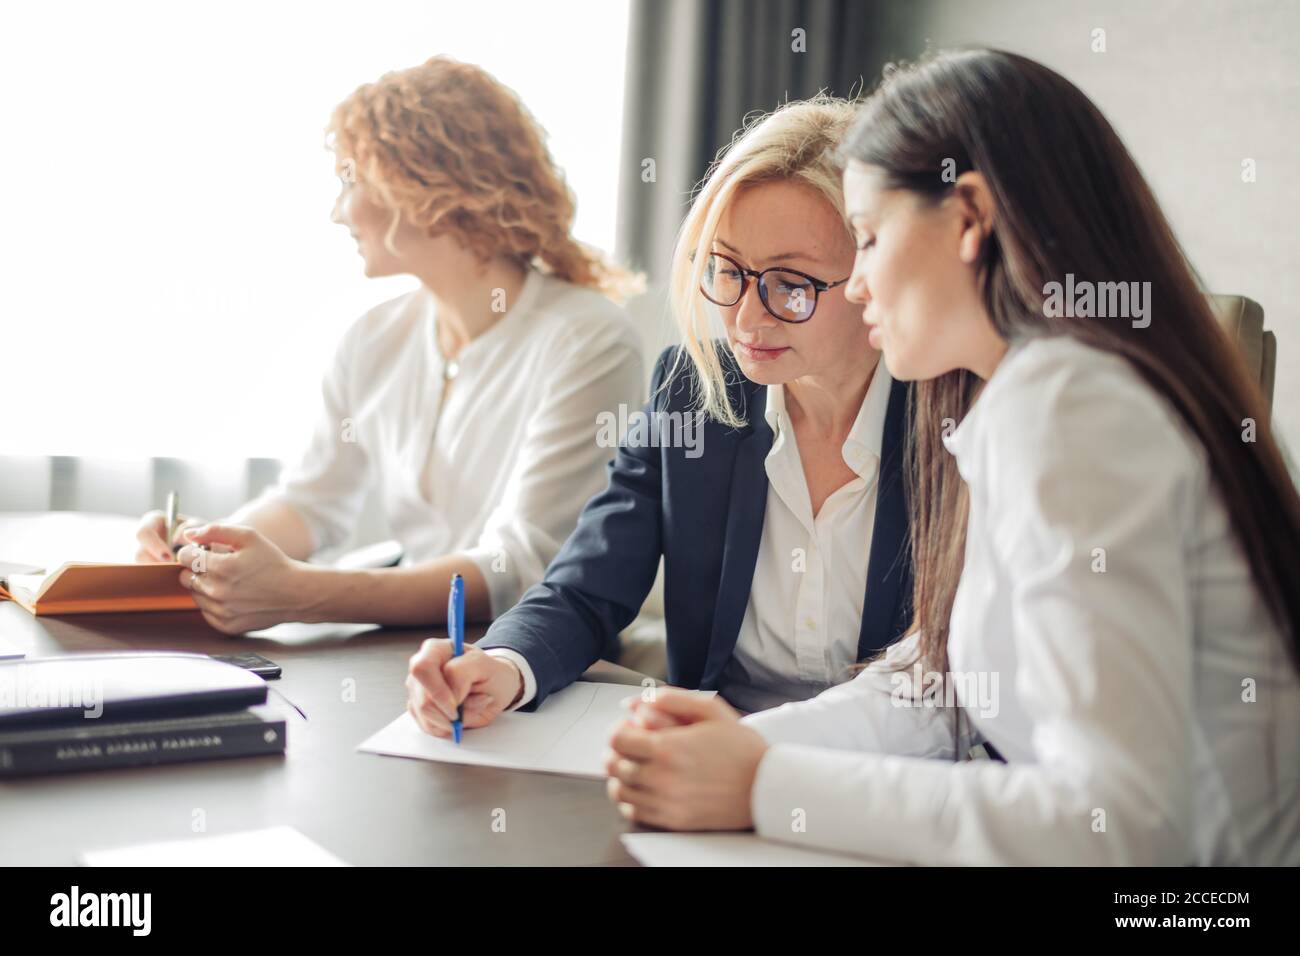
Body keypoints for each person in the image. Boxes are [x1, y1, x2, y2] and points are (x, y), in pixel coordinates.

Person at [604, 49, 1300, 866]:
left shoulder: (1077, 412)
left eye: (865, 238)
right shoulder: (1021, 392)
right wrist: (749, 748)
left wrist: (763, 785)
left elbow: (1121, 825)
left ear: (968, 217)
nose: (855, 284)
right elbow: (939, 685)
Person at [404, 97, 915, 737]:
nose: (746, 320)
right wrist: (503, 665)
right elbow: (589, 585)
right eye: (728, 270)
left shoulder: (953, 415)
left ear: (875, 275)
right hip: (706, 774)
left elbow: (944, 683)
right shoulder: (691, 393)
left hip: (889, 774)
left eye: (792, 285)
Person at [133, 56, 643, 634]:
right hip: (407, 644)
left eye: (349, 183)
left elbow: (521, 568)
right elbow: (311, 502)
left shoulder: (588, 340)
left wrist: (304, 594)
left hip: (525, 657)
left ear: (423, 188)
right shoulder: (374, 338)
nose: (337, 213)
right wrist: (206, 548)